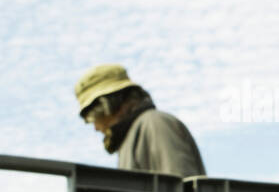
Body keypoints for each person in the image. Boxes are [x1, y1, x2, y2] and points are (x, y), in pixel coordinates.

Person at [75, 64, 206, 177]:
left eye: (94, 119)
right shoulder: (128, 140)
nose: (96, 128)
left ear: (108, 106)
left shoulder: (155, 124)